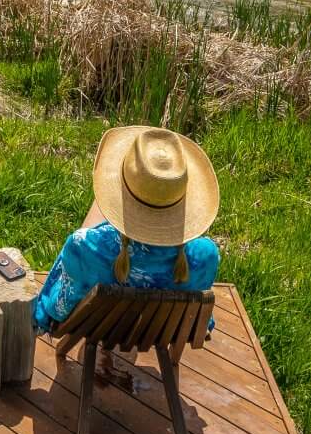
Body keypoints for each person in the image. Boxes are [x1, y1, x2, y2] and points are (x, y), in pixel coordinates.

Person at [36, 125, 221, 360]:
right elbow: (200, 319)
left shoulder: (85, 247)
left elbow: (58, 310)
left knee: (90, 230)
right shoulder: (205, 255)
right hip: (160, 331)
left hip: (97, 326)